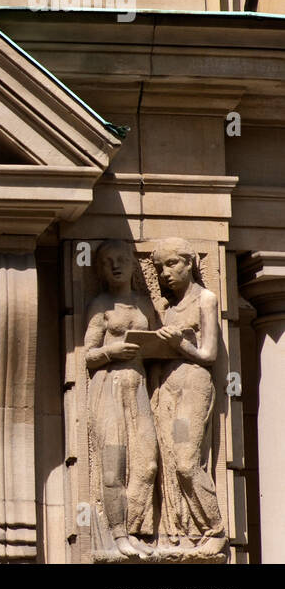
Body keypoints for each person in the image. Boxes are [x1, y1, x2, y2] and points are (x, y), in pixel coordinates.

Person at [148, 238, 226, 555]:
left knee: (185, 462)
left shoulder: (205, 299)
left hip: (193, 383)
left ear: (189, 263)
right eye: (159, 268)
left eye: (172, 264)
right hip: (167, 386)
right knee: (169, 460)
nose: (165, 273)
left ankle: (216, 528)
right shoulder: (167, 308)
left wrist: (179, 344)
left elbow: (208, 353)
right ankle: (181, 533)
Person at [82, 239, 158, 559]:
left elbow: (158, 347)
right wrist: (112, 352)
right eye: (107, 261)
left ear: (132, 265)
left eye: (122, 260)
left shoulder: (144, 305)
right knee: (113, 464)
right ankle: (117, 534)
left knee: (148, 462)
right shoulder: (100, 305)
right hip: (108, 385)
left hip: (139, 386)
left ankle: (136, 527)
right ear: (100, 269)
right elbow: (88, 354)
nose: (115, 266)